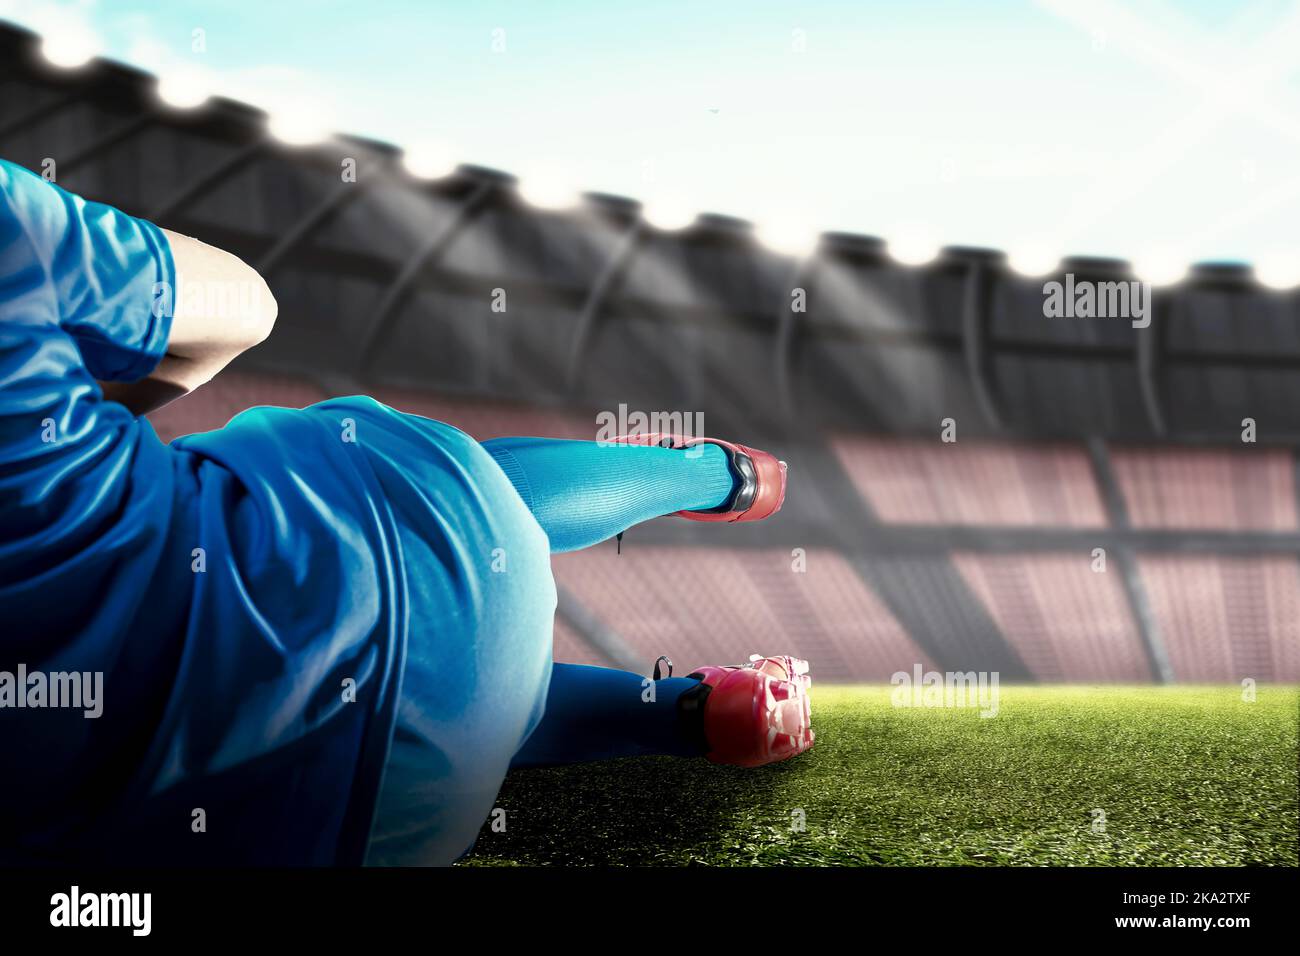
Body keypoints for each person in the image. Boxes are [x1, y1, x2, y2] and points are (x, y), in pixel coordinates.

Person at [0, 157, 813, 867]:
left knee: (376, 734)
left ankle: (696, 717)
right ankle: (722, 477)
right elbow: (245, 305)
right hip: (404, 573)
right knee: (426, 514)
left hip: (371, 832)